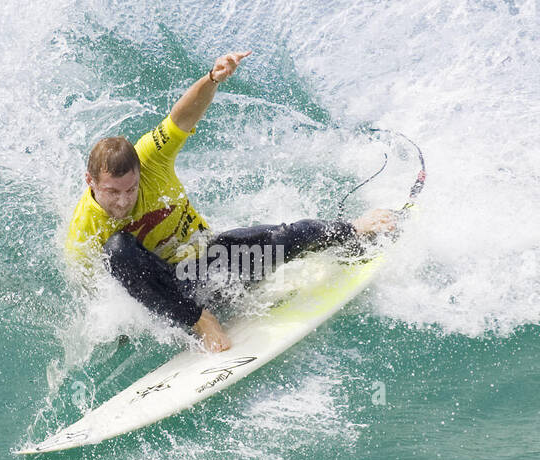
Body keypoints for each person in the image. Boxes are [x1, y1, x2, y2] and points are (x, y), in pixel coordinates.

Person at [64, 49, 397, 351]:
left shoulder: (150, 158)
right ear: (90, 182)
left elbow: (181, 116)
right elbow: (98, 295)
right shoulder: (84, 229)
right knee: (118, 250)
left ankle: (353, 229)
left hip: (209, 267)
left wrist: (212, 78)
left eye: (130, 190)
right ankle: (204, 321)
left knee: (281, 237)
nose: (123, 202)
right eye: (112, 193)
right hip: (169, 301)